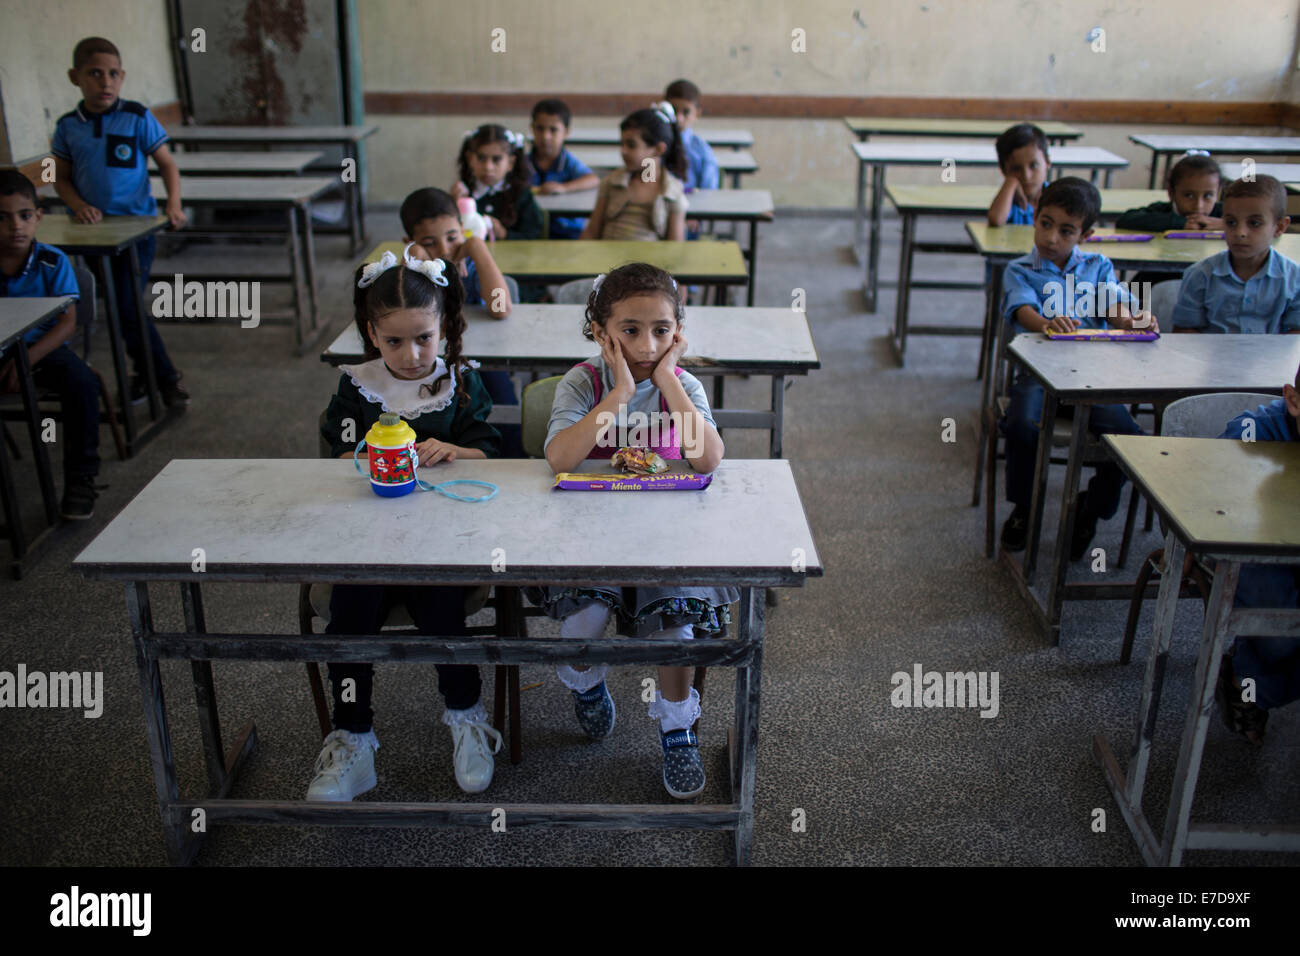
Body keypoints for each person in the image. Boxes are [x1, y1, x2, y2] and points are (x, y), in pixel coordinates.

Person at [534, 262, 733, 799]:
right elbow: (560, 459)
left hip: (667, 537)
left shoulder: (683, 385)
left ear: (677, 335)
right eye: (630, 330)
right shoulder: (584, 382)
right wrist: (619, 394)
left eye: (661, 331)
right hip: (588, 535)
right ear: (601, 333)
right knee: (586, 617)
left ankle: (676, 728)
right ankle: (587, 681)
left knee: (673, 629)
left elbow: (708, 459)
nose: (647, 345)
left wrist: (667, 383)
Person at [313, 245, 502, 800]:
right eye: (394, 340)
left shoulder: (460, 381)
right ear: (372, 334)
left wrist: (456, 450)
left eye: (424, 337)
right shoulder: (357, 384)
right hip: (364, 536)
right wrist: (365, 452)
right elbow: (335, 452)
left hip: (441, 537)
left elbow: (491, 450)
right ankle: (353, 738)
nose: (412, 353)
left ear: (443, 327)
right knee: (348, 619)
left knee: (442, 611)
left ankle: (466, 717)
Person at [998, 177, 1157, 556]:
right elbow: (1021, 311)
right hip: (1039, 372)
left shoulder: (1098, 266)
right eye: (1045, 223)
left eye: (1066, 230)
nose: (1051, 238)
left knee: (1128, 439)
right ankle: (1025, 505)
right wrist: (1046, 324)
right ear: (1035, 218)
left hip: (1091, 376)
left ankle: (1092, 509)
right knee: (1020, 426)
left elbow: (1114, 306)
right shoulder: (1020, 269)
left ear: (1085, 233)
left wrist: (1130, 321)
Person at [50, 36, 189, 406]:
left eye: (113, 74)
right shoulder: (68, 126)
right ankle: (147, 374)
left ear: (123, 77)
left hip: (137, 230)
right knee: (120, 306)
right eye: (94, 74)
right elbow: (60, 179)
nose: (105, 82)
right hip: (93, 233)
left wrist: (173, 204)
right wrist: (78, 205)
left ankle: (164, 378)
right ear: (74, 77)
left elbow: (167, 164)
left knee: (126, 305)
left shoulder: (137, 116)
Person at [0, 169, 101, 519]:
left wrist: (26, 360)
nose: (16, 227)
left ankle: (81, 479)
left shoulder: (52, 261)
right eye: (3, 218)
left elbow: (67, 322)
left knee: (84, 384)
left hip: (43, 349)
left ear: (38, 217)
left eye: (25, 216)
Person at [400, 186, 522, 456]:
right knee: (441, 421)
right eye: (429, 242)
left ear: (463, 229)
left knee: (504, 410)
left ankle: (513, 461)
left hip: (483, 361)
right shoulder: (412, 272)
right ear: (410, 242)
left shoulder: (472, 265)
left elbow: (501, 309)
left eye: (452, 236)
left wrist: (477, 247)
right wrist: (416, 263)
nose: (444, 249)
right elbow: (405, 310)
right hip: (428, 365)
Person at [1213, 368, 1300, 742]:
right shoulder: (1251, 433)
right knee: (1282, 635)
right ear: (1293, 400)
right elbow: (1197, 493)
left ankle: (1252, 686)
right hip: (1250, 548)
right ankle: (1245, 678)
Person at [1171, 175, 1300, 334]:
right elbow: (1185, 330)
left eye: (1254, 223)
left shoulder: (1295, 279)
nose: (1240, 233)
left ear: (1279, 227)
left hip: (1273, 359)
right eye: (1231, 222)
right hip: (1210, 358)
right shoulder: (1200, 274)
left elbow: (1296, 336)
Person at [581, 104, 687, 241]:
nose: (623, 151)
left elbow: (675, 248)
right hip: (609, 261)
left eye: (631, 145)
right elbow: (591, 233)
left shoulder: (672, 193)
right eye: (622, 144)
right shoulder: (611, 183)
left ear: (659, 149)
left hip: (649, 262)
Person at [451, 124, 543, 240]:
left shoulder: (520, 194)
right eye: (481, 158)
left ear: (510, 163)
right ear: (469, 159)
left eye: (496, 160)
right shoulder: (461, 193)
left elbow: (533, 234)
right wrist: (452, 206)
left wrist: (505, 234)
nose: (488, 167)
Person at [528, 98, 598, 239]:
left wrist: (563, 188)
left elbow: (593, 179)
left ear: (566, 132)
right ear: (532, 128)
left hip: (567, 230)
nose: (545, 136)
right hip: (532, 229)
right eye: (540, 128)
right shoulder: (522, 163)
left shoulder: (567, 162)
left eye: (553, 130)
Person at [987, 124, 1051, 227]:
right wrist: (1011, 182)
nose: (1026, 176)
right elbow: (996, 220)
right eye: (1016, 169)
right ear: (1003, 170)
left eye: (1033, 166)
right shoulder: (1010, 200)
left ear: (1047, 163)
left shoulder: (1058, 197)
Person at [663, 79, 719, 192]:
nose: (678, 118)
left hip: (694, 208)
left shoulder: (702, 152)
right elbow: (645, 183)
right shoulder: (652, 147)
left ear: (697, 114)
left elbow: (709, 194)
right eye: (673, 110)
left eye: (686, 112)